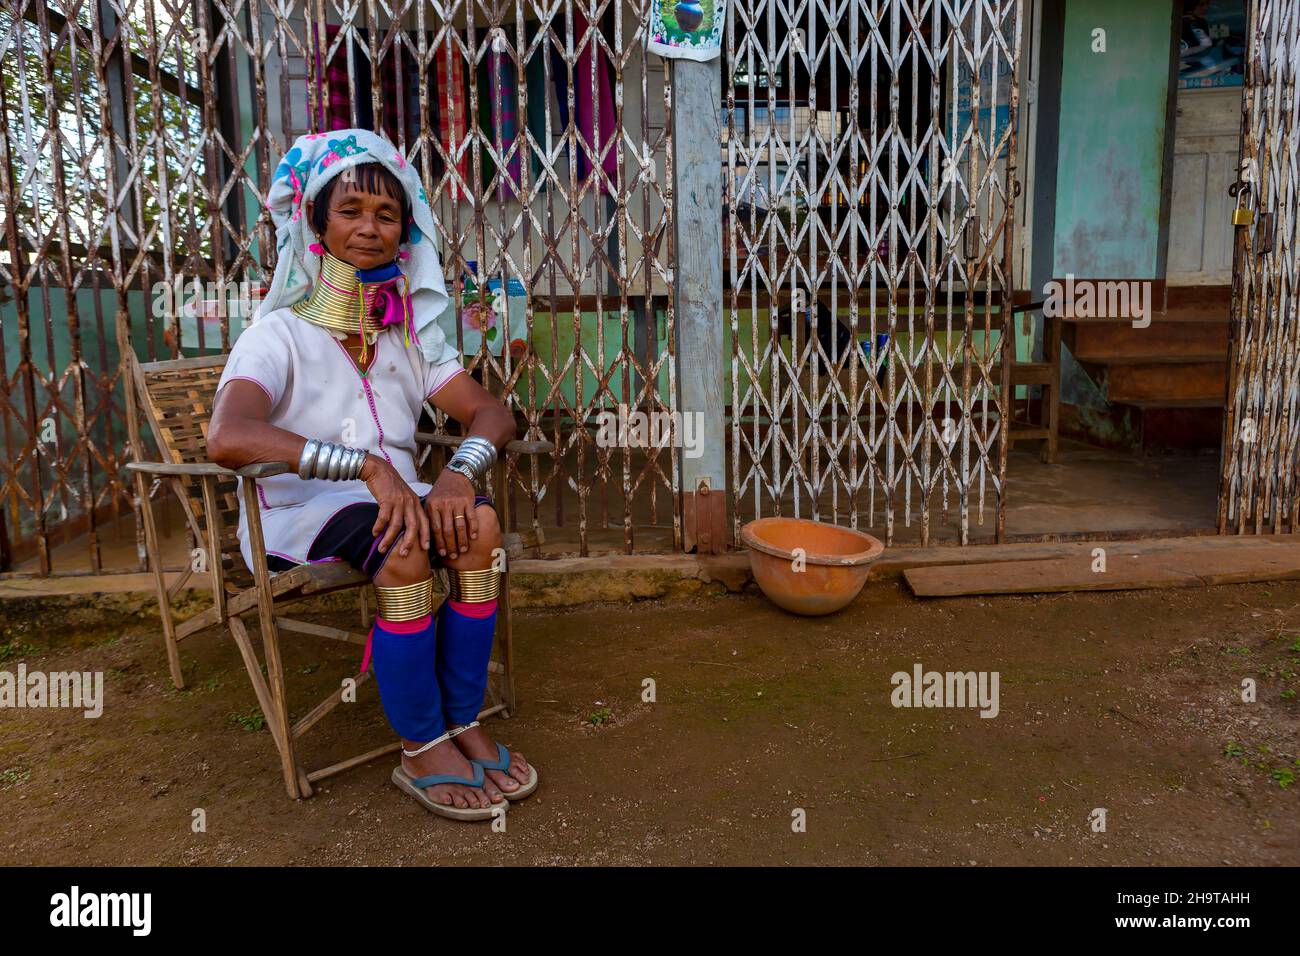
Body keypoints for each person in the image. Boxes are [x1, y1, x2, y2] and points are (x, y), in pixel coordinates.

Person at [207, 129, 536, 821]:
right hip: (299, 511)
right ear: (316, 222)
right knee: (407, 545)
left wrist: (458, 475)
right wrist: (364, 464)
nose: (369, 228)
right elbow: (229, 436)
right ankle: (421, 743)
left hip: (407, 497)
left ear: (404, 231)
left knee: (479, 525)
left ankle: (461, 716)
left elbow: (492, 414)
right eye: (351, 209)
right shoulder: (278, 335)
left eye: (387, 215)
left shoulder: (406, 336)